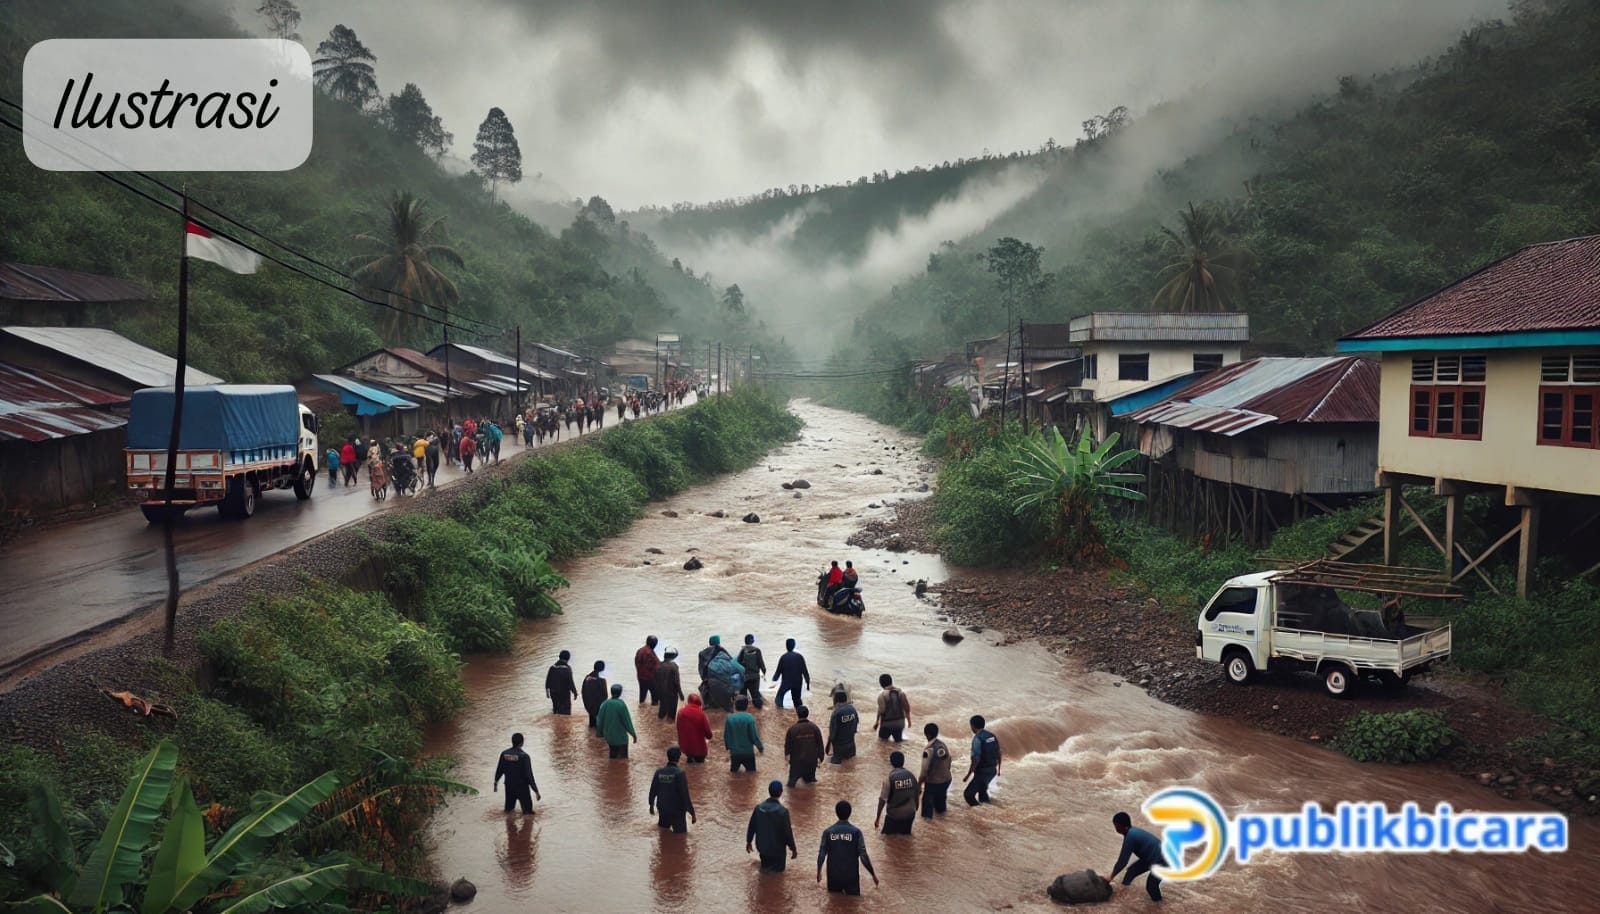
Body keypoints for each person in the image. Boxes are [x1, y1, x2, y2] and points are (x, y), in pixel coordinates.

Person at [817, 800, 877, 895]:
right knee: (853, 905)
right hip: (851, 876)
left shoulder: (828, 832)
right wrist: (873, 874)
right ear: (850, 813)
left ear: (836, 813)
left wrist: (819, 871)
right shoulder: (856, 832)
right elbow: (863, 856)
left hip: (833, 875)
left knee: (834, 904)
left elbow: (821, 854)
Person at [1106, 811, 1167, 902]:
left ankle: (1160, 906)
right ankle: (1123, 895)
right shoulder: (1131, 833)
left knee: (1151, 886)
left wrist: (1111, 877)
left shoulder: (1131, 836)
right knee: (1131, 872)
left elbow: (1123, 861)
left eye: (1116, 826)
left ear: (1123, 826)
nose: (1115, 828)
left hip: (1163, 860)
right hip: (1151, 858)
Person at [747, 780, 798, 872]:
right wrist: (793, 848)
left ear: (769, 791)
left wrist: (749, 841)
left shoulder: (759, 808)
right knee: (779, 875)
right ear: (781, 793)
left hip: (762, 848)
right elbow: (787, 832)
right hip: (778, 851)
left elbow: (752, 826)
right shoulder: (783, 812)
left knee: (764, 871)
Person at [648, 746, 697, 833]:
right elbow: (684, 795)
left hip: (663, 808)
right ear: (678, 758)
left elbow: (653, 789)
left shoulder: (659, 772)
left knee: (663, 835)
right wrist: (692, 813)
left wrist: (651, 804)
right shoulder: (680, 773)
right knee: (681, 836)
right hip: (677, 810)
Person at [492, 732, 542, 814]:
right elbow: (529, 775)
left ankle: (509, 826)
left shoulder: (504, 754)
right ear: (522, 743)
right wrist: (536, 791)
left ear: (512, 742)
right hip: (522, 788)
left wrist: (496, 782)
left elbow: (500, 769)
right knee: (528, 814)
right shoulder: (524, 756)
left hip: (509, 786)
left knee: (508, 811)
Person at [875, 751, 920, 835]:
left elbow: (882, 800)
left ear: (891, 762)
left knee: (886, 839)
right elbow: (917, 793)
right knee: (905, 838)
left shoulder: (889, 779)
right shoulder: (911, 776)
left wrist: (877, 818)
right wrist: (916, 808)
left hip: (894, 816)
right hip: (910, 814)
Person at [963, 715, 1001, 806]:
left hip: (982, 772)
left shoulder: (977, 738)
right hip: (992, 771)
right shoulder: (992, 736)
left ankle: (978, 814)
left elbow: (976, 758)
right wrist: (999, 769)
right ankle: (988, 813)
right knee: (982, 792)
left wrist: (968, 775)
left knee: (968, 794)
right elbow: (999, 753)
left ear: (972, 726)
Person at [919, 723, 953, 819]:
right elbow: (949, 759)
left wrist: (919, 785)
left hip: (934, 782)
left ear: (926, 734)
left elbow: (924, 771)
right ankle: (942, 824)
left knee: (927, 807)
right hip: (946, 779)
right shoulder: (943, 745)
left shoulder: (928, 750)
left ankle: (928, 828)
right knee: (940, 804)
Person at [784, 706, 824, 788]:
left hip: (797, 763)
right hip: (811, 761)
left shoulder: (792, 730)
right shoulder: (815, 728)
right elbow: (820, 745)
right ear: (807, 714)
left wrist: (788, 760)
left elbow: (787, 749)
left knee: (791, 786)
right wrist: (820, 758)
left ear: (797, 715)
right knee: (811, 783)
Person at [595, 683, 637, 759]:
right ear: (620, 693)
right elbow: (627, 721)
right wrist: (633, 734)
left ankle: (612, 769)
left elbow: (599, 720)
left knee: (613, 757)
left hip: (609, 737)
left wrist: (599, 733)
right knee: (623, 760)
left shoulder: (605, 704)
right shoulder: (621, 704)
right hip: (621, 738)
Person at [724, 697, 764, 772]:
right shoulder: (750, 718)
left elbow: (726, 736)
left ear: (735, 706)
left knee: (733, 775)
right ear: (746, 706)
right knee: (752, 775)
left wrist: (728, 747)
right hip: (748, 752)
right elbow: (754, 736)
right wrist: (760, 747)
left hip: (735, 753)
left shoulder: (729, 718)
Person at [772, 638, 810, 711]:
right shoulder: (799, 657)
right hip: (797, 682)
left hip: (786, 682)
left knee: (779, 698)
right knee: (797, 700)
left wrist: (774, 678)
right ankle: (800, 714)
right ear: (794, 646)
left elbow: (778, 671)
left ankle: (780, 715)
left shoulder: (783, 657)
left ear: (786, 646)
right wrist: (807, 683)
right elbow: (805, 671)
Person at [824, 687, 859, 764]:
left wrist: (828, 744)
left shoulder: (836, 713)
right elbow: (856, 723)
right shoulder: (852, 709)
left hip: (839, 746)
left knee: (833, 767)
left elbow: (833, 732)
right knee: (851, 764)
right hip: (851, 744)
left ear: (835, 700)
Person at [874, 674, 911, 743]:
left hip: (887, 724)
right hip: (900, 723)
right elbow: (907, 707)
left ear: (881, 684)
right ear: (891, 681)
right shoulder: (901, 692)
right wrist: (909, 720)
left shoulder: (882, 695)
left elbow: (882, 710)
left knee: (882, 744)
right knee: (898, 743)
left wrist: (877, 722)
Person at [676, 693, 713, 764]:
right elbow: (709, 734)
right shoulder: (701, 714)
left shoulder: (680, 712)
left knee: (689, 769)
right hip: (699, 750)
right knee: (700, 770)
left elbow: (678, 729)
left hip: (686, 749)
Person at [545, 650, 579, 715]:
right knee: (565, 713)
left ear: (559, 657)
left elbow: (548, 680)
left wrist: (547, 691)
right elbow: (570, 682)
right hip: (564, 693)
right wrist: (575, 692)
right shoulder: (567, 668)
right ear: (568, 658)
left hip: (553, 692)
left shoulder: (552, 667)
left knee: (555, 709)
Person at [655, 648, 686, 721]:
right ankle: (669, 730)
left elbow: (656, 680)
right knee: (671, 716)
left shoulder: (659, 665)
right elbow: (676, 682)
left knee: (662, 713)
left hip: (661, 693)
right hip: (672, 694)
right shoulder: (674, 666)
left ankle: (659, 727)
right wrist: (680, 694)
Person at [737, 634, 766, 708]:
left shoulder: (742, 650)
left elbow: (738, 663)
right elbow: (761, 663)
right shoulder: (757, 650)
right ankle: (759, 712)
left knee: (743, 695)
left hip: (744, 677)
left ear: (745, 641)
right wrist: (764, 672)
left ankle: (743, 711)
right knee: (755, 695)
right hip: (755, 677)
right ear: (752, 641)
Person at [581, 661, 608, 729]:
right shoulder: (601, 680)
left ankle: (590, 736)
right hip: (597, 706)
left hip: (588, 704)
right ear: (603, 669)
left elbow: (583, 690)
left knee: (592, 724)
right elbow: (605, 695)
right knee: (598, 727)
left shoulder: (587, 677)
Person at [635, 636, 661, 706]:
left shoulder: (640, 650)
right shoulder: (649, 653)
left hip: (641, 677)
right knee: (655, 696)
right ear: (653, 644)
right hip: (649, 678)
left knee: (642, 695)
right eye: (655, 644)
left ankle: (641, 712)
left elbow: (636, 662)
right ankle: (652, 713)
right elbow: (652, 666)